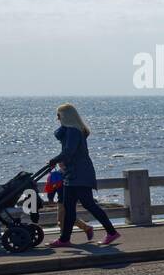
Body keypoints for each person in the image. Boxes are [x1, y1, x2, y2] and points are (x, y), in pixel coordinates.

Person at [46, 104, 121, 249]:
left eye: (59, 115)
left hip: (80, 174)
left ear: (65, 116)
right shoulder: (70, 131)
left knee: (89, 204)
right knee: (68, 208)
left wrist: (54, 160)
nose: (57, 118)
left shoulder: (73, 131)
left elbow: (69, 151)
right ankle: (64, 239)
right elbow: (68, 152)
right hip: (72, 174)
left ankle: (112, 232)